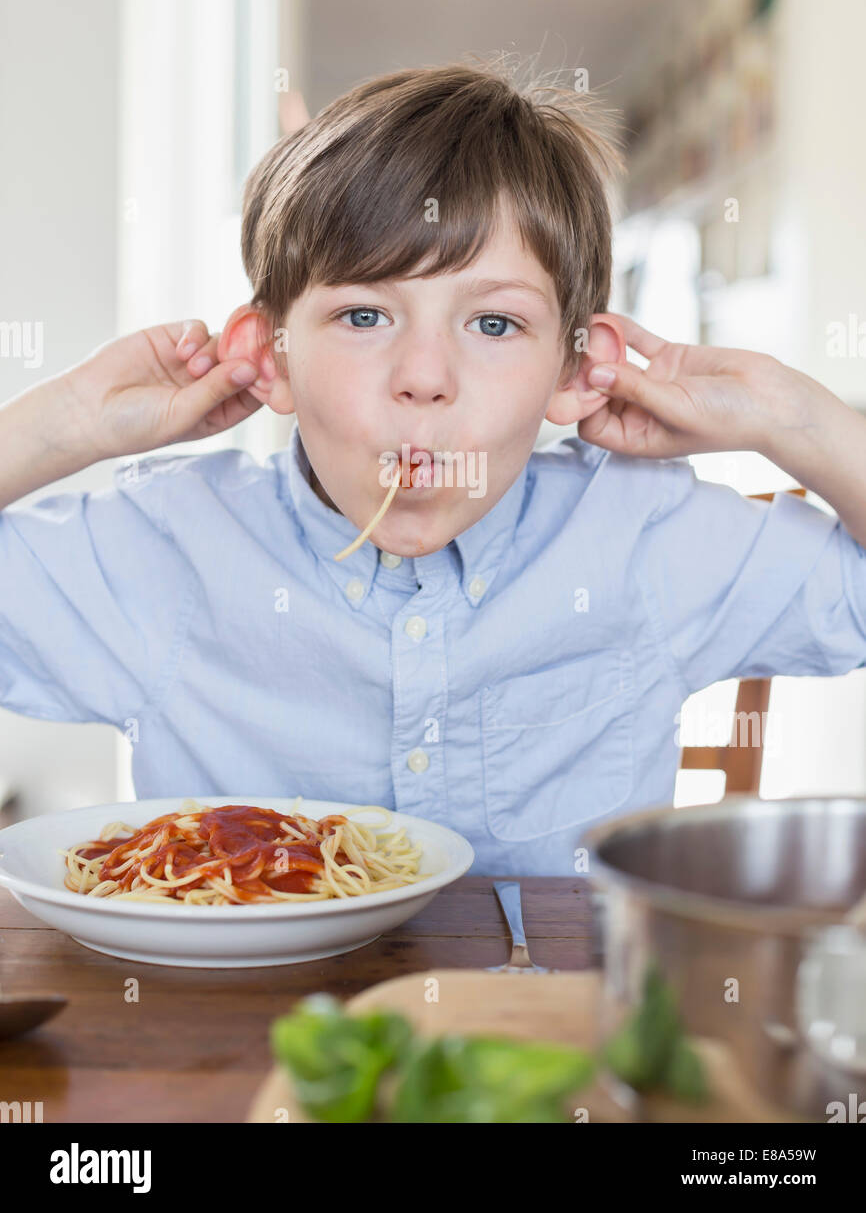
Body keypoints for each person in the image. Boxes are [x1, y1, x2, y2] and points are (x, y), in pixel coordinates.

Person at [2, 62, 865, 875]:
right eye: (365, 314)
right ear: (271, 356)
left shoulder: (641, 534)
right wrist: (66, 422)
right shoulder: (170, 546)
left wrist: (791, 416)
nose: (424, 377)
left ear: (576, 369)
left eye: (493, 325)